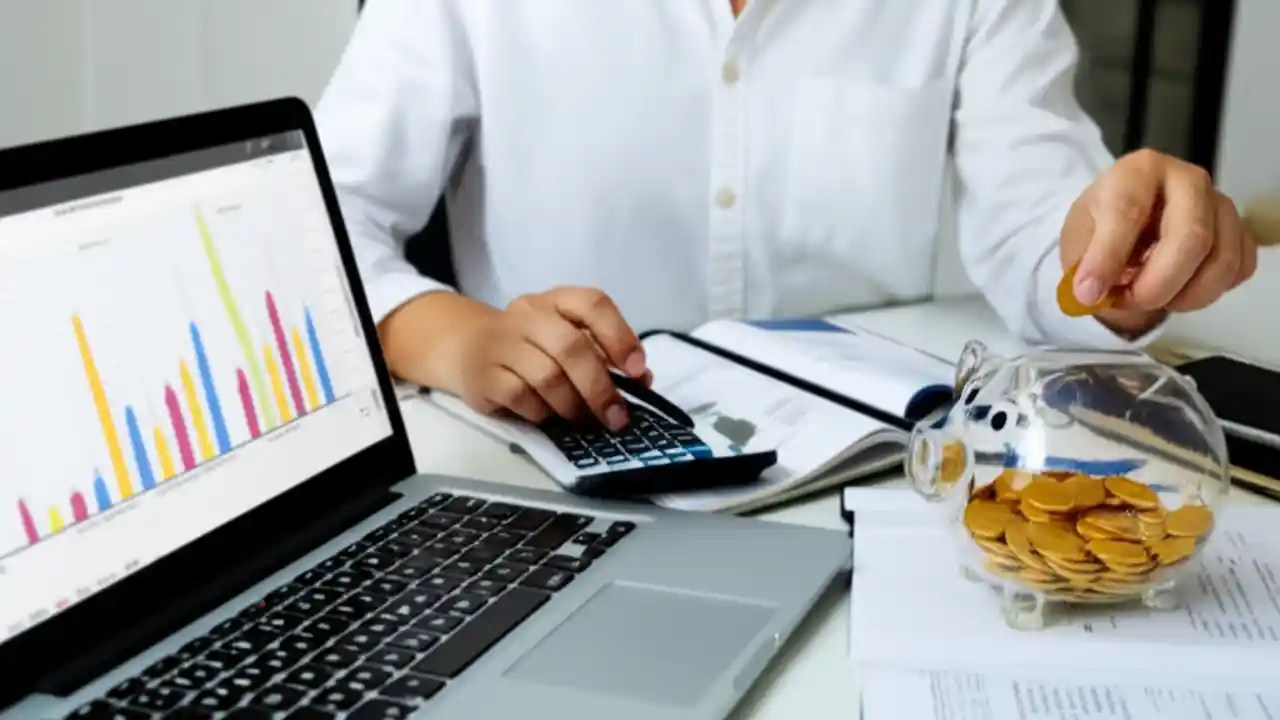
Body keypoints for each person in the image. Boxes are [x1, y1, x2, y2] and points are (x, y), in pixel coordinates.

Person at [314, 0, 1257, 434]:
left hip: (880, 479)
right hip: (550, 465)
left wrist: (1125, 265)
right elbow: (321, 229)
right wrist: (454, 339)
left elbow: (1039, 237)